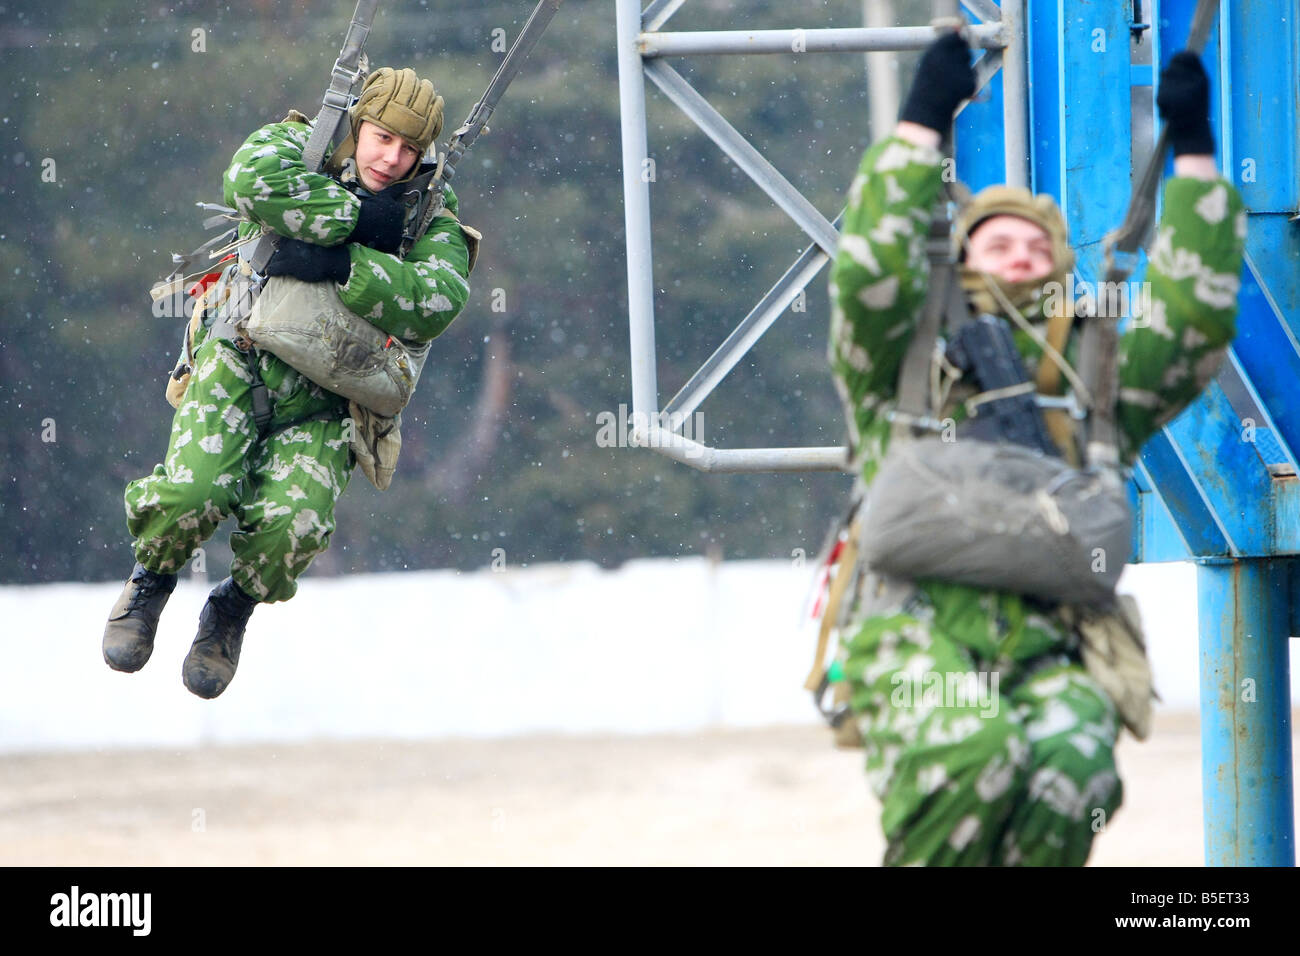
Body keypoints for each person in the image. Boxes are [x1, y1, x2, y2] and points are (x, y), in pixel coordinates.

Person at [827, 33, 1244, 865]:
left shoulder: (1095, 381)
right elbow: (871, 265)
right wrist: (919, 125)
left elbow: (1194, 324)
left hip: (1051, 638)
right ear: (959, 260)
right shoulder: (900, 361)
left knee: (1075, 767)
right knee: (970, 752)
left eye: (1036, 248)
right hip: (916, 630)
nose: (1019, 260)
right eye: (997, 245)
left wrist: (1193, 155)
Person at [103, 67, 475, 699]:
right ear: (358, 125)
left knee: (292, 528)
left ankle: (230, 611)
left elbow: (436, 298)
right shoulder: (298, 146)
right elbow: (250, 180)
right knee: (193, 494)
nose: (392, 158)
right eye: (382, 137)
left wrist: (341, 263)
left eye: (409, 149)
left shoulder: (430, 217)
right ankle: (151, 582)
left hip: (328, 401)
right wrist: (358, 221)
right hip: (239, 360)